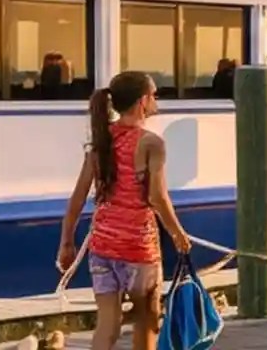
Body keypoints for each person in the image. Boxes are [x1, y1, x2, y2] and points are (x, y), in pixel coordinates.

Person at [57, 71, 192, 350]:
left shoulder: (101, 142)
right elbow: (157, 197)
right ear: (142, 101)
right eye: (153, 95)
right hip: (138, 248)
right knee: (147, 321)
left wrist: (66, 242)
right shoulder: (151, 143)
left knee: (107, 325)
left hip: (102, 247)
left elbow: (78, 197)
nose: (156, 100)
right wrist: (178, 234)